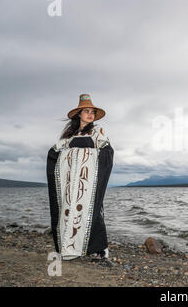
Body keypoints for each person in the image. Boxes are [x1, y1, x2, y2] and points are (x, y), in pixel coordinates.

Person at [46, 93, 114, 261]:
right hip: (71, 183)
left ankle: (100, 249)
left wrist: (84, 152)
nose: (90, 114)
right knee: (68, 211)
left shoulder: (97, 132)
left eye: (92, 111)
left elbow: (106, 151)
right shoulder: (69, 136)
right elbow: (56, 151)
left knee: (93, 211)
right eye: (86, 111)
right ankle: (69, 248)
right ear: (79, 114)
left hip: (88, 181)